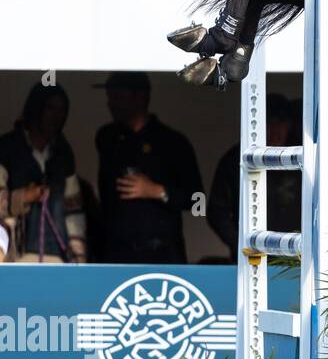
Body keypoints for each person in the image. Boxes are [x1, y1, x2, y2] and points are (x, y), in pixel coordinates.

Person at [94, 71, 203, 264]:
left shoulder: (173, 142)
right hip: (117, 254)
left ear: (140, 97)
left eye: (118, 96)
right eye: (109, 97)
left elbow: (197, 202)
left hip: (162, 255)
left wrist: (158, 191)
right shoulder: (107, 138)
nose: (111, 103)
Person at [0, 81, 88, 263]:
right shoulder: (7, 148)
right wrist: (24, 197)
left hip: (57, 256)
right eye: (50, 108)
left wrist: (78, 256)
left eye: (62, 110)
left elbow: (74, 210)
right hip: (15, 256)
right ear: (36, 108)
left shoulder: (63, 153)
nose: (57, 115)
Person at [207, 94, 302, 261]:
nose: (276, 129)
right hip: (251, 258)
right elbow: (217, 211)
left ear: (290, 125)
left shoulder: (300, 158)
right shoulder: (239, 158)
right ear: (256, 124)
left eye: (282, 123)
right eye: (270, 122)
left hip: (296, 256)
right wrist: (242, 244)